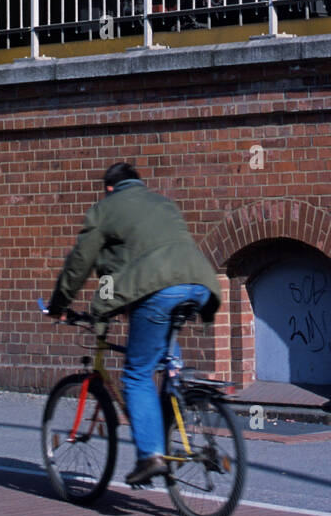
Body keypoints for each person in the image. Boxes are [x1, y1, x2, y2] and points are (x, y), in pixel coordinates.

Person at [46, 161, 222, 486]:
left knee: (136, 375)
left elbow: (80, 262)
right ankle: (176, 402)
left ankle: (151, 454)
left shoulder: (106, 208)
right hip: (199, 284)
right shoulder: (162, 203)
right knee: (164, 358)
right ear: (138, 184)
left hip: (159, 292)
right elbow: (133, 261)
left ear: (110, 188)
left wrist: (59, 306)